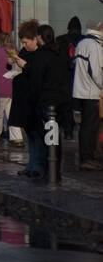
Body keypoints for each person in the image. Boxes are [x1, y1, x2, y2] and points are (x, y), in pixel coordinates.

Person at [10, 20, 46, 179]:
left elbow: (39, 75)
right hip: (24, 99)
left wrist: (25, 66)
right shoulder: (25, 52)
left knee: (38, 135)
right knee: (29, 134)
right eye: (22, 42)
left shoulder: (41, 54)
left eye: (26, 42)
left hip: (35, 100)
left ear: (34, 39)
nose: (24, 45)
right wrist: (12, 63)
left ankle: (38, 166)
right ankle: (31, 164)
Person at [37, 24, 72, 181]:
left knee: (49, 139)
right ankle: (55, 172)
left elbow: (37, 81)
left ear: (40, 37)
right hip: (62, 101)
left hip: (48, 101)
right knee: (56, 139)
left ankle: (50, 173)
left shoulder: (43, 55)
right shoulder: (61, 53)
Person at [71, 19, 103, 170]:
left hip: (81, 90)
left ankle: (86, 156)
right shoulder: (94, 46)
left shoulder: (82, 43)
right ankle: (87, 158)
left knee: (85, 126)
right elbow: (96, 71)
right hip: (92, 92)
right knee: (90, 126)